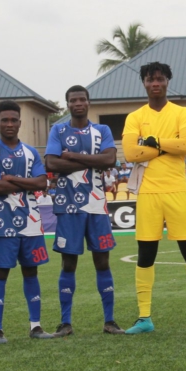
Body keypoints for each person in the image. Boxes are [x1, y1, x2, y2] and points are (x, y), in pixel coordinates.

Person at [122, 62, 186, 333]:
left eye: (160, 79)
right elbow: (131, 154)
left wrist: (152, 142)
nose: (155, 83)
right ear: (144, 83)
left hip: (177, 191)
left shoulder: (182, 113)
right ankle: (144, 318)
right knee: (146, 254)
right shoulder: (134, 117)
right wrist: (168, 145)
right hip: (148, 193)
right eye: (150, 79)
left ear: (168, 81)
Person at [45, 85, 123, 336]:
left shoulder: (102, 130)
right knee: (69, 263)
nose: (78, 103)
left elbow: (109, 160)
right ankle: (65, 323)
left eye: (82, 99)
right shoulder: (58, 129)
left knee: (102, 261)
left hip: (97, 206)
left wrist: (72, 157)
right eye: (73, 100)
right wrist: (91, 160)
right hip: (69, 208)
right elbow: (51, 163)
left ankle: (109, 321)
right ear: (68, 104)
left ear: (89, 102)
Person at [0, 100, 53, 343]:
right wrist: (25, 181)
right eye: (5, 120)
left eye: (14, 120)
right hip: (2, 224)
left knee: (31, 272)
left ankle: (36, 326)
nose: (9, 124)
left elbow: (42, 183)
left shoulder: (31, 152)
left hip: (31, 222)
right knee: (0, 274)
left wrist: (11, 178)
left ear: (20, 123)